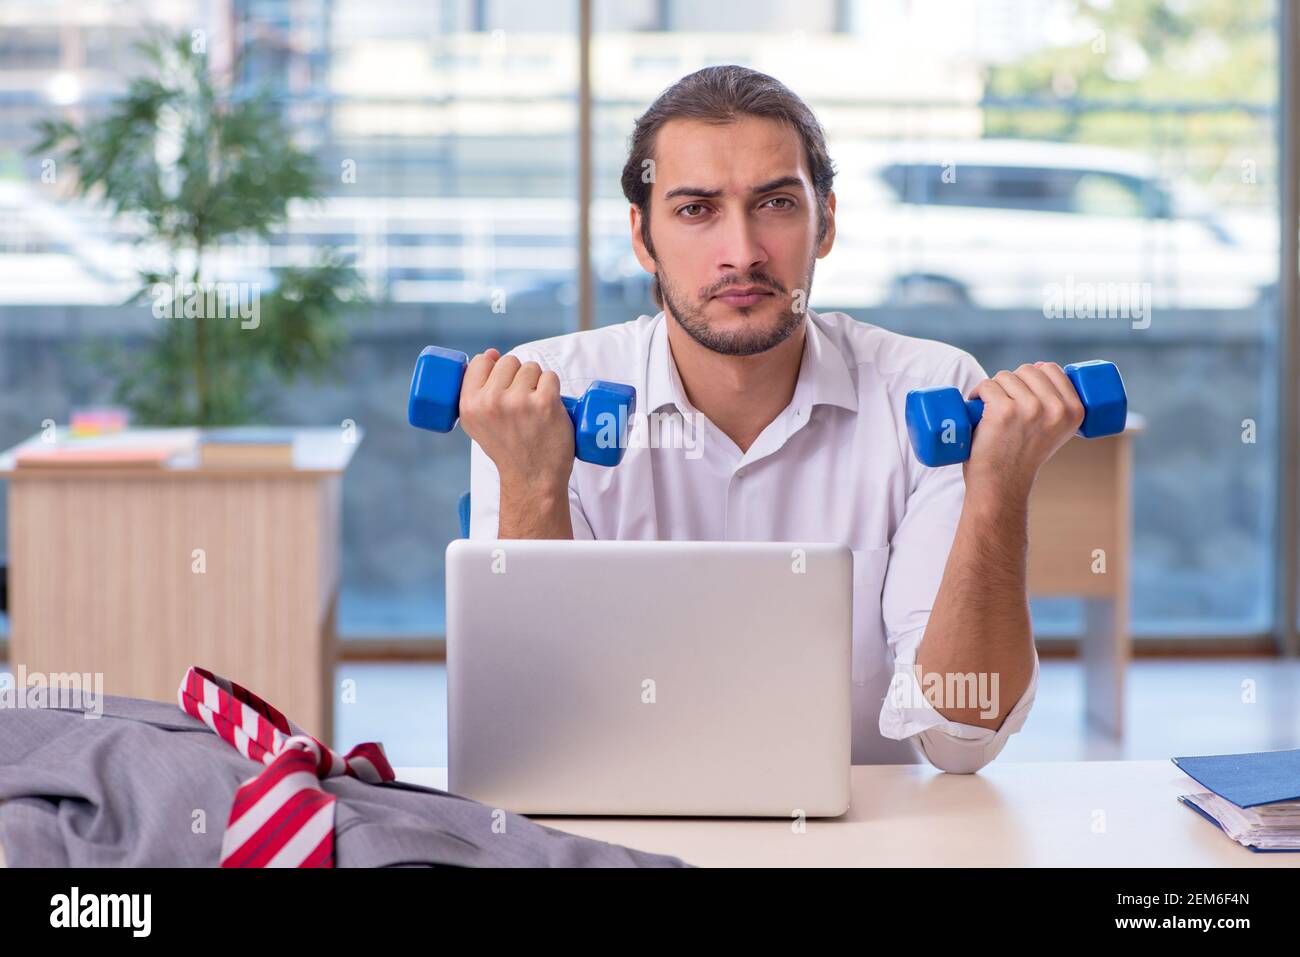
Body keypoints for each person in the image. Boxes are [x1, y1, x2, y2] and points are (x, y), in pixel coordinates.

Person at [464, 65, 1083, 771]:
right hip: (619, 831)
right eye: (696, 209)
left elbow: (959, 734)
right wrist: (533, 486)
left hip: (866, 835)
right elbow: (537, 736)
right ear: (642, 237)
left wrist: (998, 493)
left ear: (826, 222)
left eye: (776, 204)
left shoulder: (932, 390)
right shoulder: (539, 399)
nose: (743, 252)